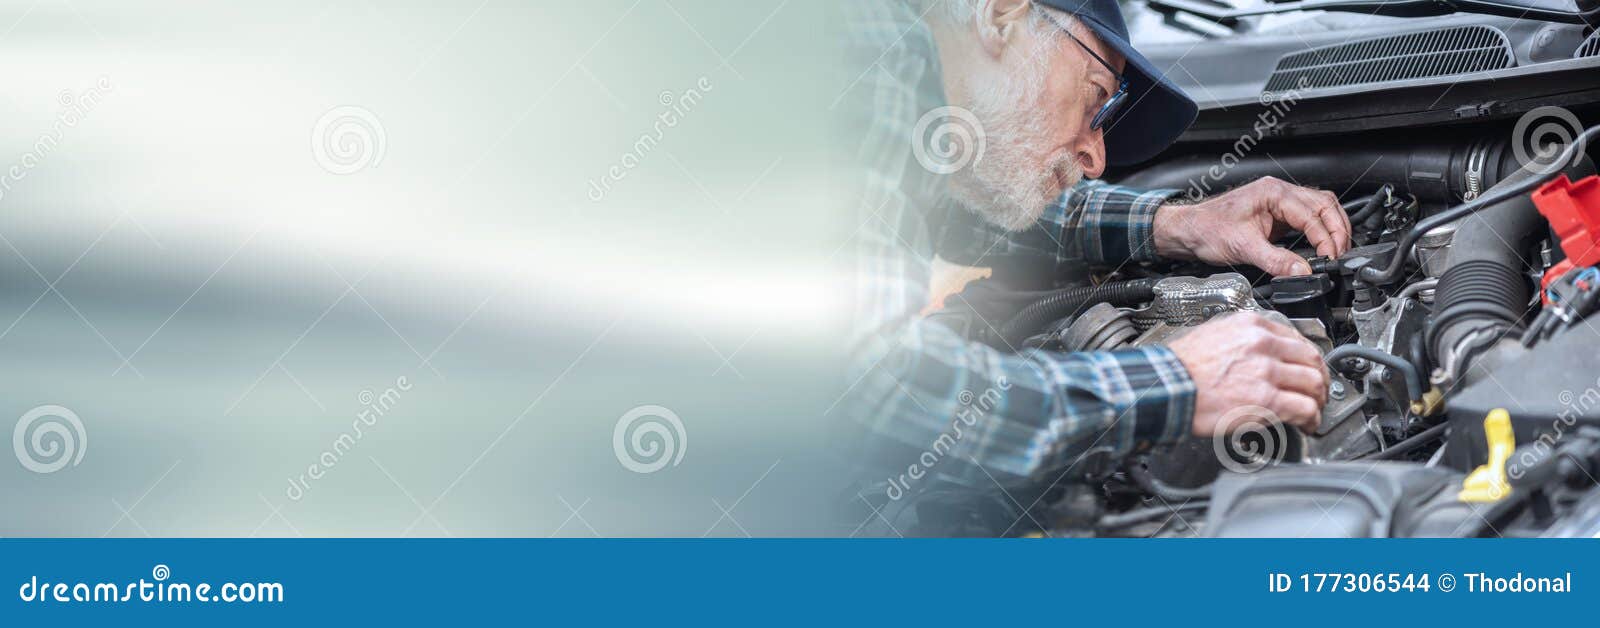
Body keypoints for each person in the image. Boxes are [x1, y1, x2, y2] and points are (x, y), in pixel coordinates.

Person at [836, 0, 1347, 532]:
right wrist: (1173, 383)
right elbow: (868, 387)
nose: (1096, 160)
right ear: (1002, 15)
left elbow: (954, 212)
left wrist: (1180, 225)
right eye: (1096, 101)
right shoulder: (865, 47)